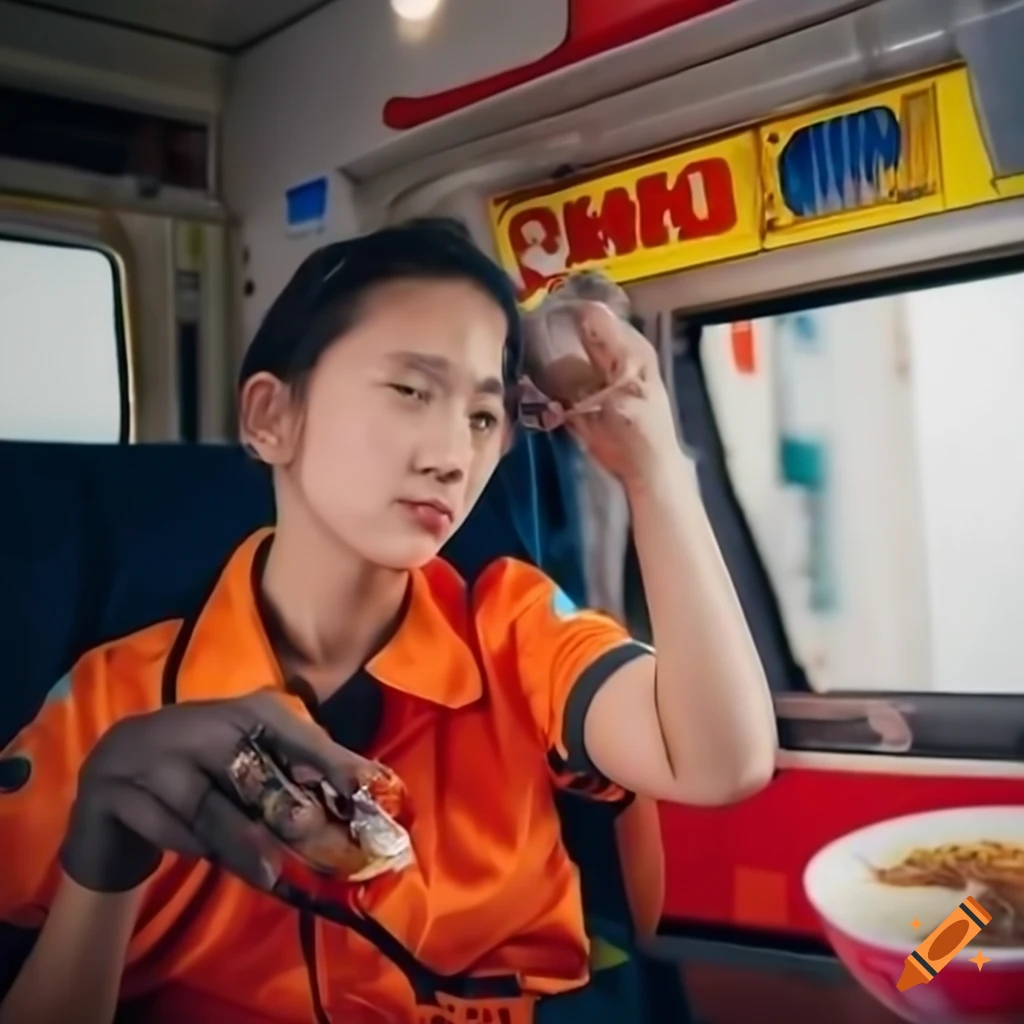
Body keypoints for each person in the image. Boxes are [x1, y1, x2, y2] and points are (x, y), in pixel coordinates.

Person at [0, 219, 776, 1024]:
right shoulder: (111, 705)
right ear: (272, 417)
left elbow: (719, 760)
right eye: (410, 391)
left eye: (482, 418)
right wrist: (101, 869)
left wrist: (651, 471)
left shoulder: (510, 628)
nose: (452, 455)